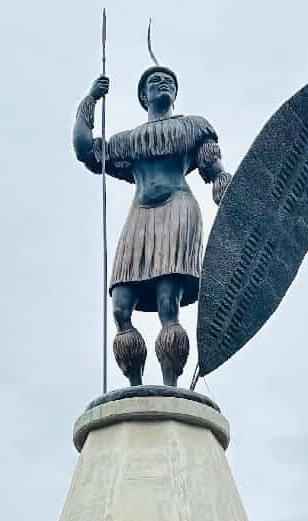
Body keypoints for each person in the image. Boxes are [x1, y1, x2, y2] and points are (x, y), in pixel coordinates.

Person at [72, 65, 232, 387]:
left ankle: (170, 386)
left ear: (175, 93)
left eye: (169, 81)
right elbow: (86, 151)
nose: (162, 83)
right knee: (121, 306)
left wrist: (233, 202)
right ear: (144, 96)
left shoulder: (193, 127)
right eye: (154, 81)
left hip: (178, 208)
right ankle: (135, 389)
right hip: (140, 215)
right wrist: (90, 100)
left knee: (166, 301)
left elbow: (214, 170)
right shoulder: (129, 141)